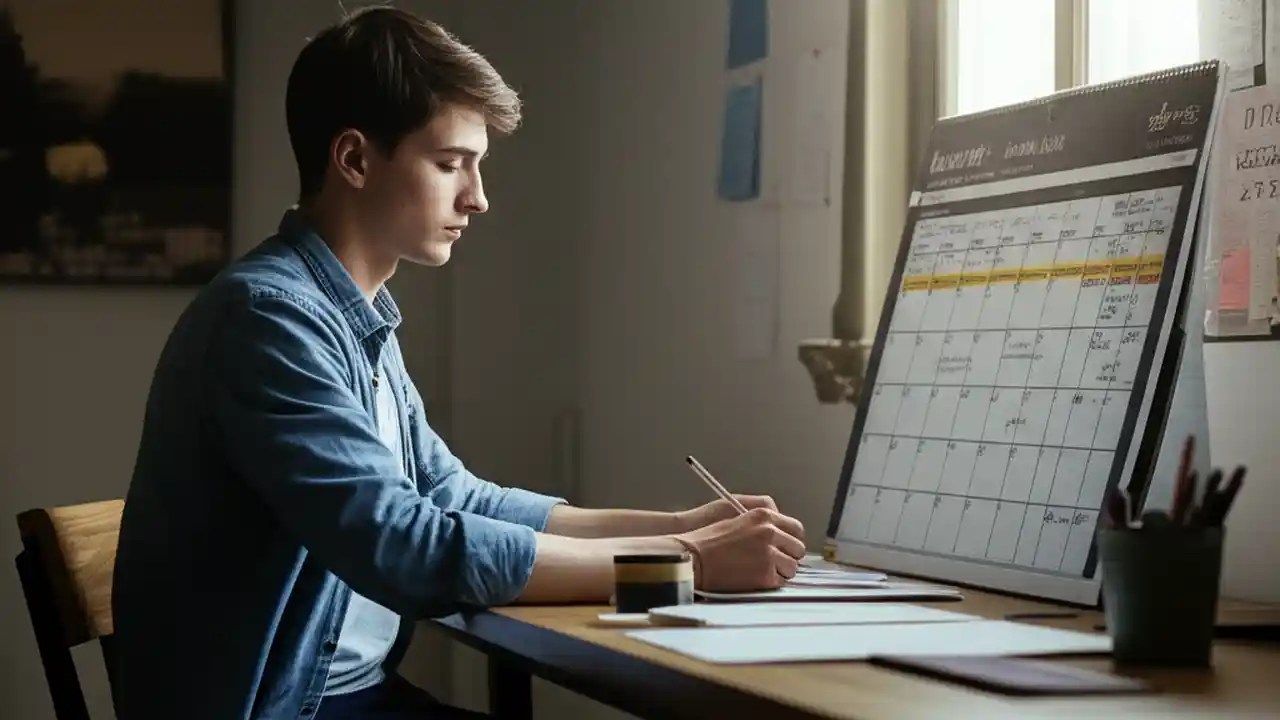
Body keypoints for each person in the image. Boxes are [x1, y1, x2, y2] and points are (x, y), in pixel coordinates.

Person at [111, 7, 806, 720]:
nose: (477, 198)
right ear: (354, 160)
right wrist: (689, 562)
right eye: (450, 165)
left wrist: (678, 528)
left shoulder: (353, 317)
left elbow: (455, 498)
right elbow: (408, 547)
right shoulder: (270, 319)